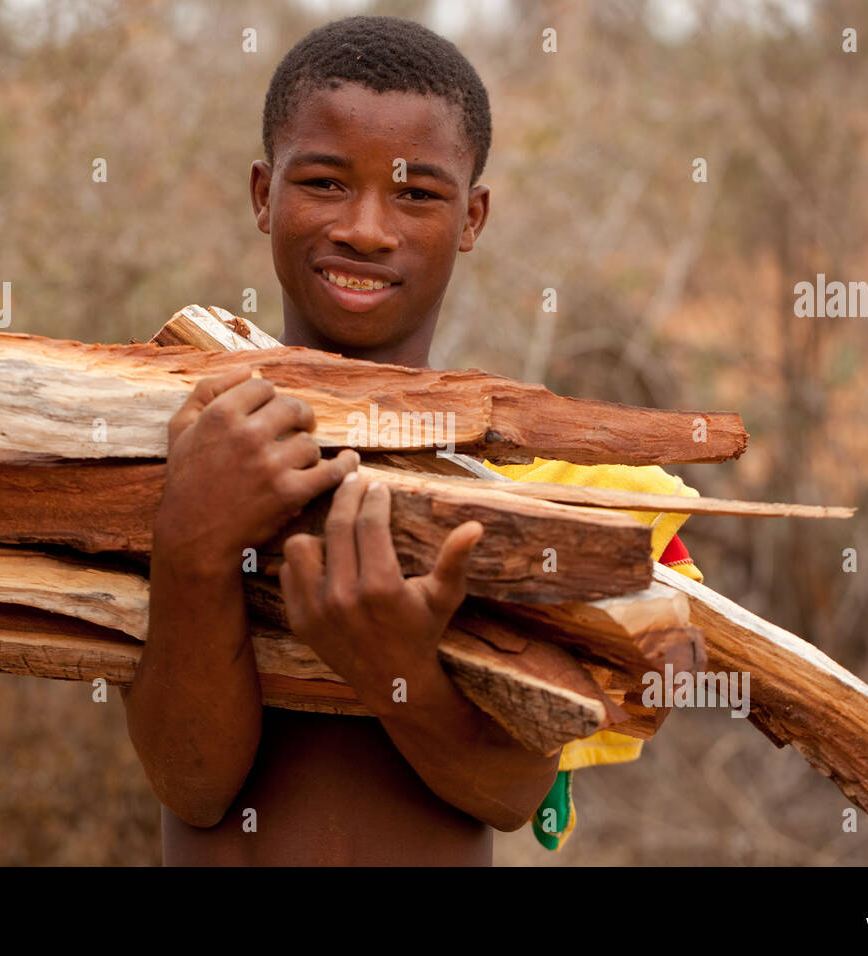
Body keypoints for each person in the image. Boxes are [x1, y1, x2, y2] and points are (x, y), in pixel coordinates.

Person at [122, 15, 703, 866]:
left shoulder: (547, 487)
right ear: (261, 195)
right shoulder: (191, 437)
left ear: (472, 217)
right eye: (323, 182)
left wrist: (397, 667)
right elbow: (192, 783)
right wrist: (192, 548)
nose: (366, 228)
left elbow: (512, 797)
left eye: (417, 194)